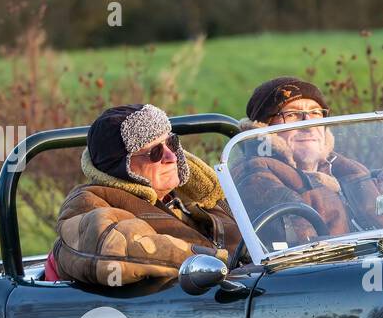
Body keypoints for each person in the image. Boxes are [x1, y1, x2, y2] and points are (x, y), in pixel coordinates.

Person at [233, 77, 383, 247]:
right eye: (293, 115)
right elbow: (302, 242)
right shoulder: (254, 173)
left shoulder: (344, 169)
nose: (309, 124)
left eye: (316, 113)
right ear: (263, 127)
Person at [49, 103, 242, 285]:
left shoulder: (198, 196)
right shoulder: (88, 203)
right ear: (119, 167)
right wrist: (214, 261)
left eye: (171, 143)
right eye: (155, 153)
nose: (172, 157)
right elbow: (111, 247)